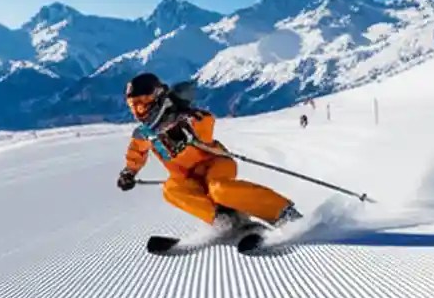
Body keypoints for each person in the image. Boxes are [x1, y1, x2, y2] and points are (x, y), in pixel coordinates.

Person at [117, 72, 302, 230]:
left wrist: (184, 122)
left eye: (141, 104)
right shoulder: (144, 134)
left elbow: (207, 124)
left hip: (215, 163)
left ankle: (282, 212)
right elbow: (136, 153)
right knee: (170, 190)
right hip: (187, 176)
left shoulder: (185, 117)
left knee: (219, 190)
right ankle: (225, 220)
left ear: (156, 97)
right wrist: (129, 172)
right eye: (133, 106)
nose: (138, 112)